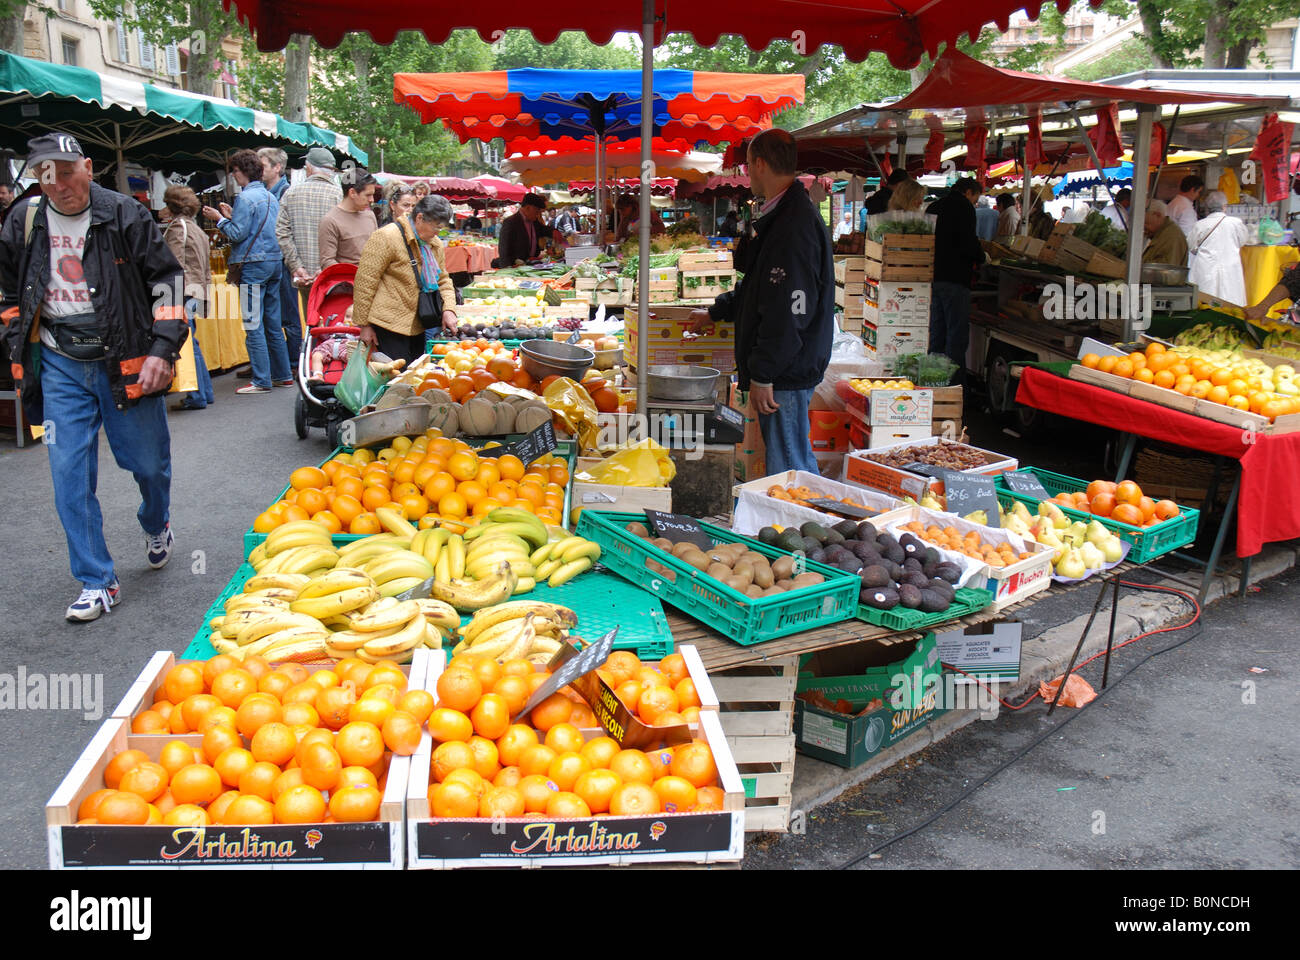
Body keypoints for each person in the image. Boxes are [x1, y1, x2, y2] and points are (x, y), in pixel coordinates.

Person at [0, 132, 186, 621]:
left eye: (67, 171)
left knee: (148, 465)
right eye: (47, 175)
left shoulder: (125, 213)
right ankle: (96, 580)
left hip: (124, 361)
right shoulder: (24, 218)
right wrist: (15, 338)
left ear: (87, 166)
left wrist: (163, 350)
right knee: (68, 475)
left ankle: (156, 519)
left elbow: (168, 280)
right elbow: (8, 291)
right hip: (60, 362)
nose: (59, 184)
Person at [687, 128, 834, 474]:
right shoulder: (779, 216)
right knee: (788, 455)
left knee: (790, 464)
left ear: (762, 164)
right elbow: (761, 289)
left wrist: (764, 374)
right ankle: (793, 521)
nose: (747, 174)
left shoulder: (793, 225)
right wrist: (717, 311)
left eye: (749, 166)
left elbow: (789, 309)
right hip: (785, 364)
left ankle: (800, 525)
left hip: (786, 368)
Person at [203, 149, 291, 394]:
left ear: (241, 172)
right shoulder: (271, 197)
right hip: (274, 262)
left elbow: (236, 234)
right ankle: (283, 374)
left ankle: (262, 379)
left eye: (235, 171)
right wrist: (231, 217)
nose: (234, 176)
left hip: (253, 264)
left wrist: (220, 219)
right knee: (273, 323)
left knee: (253, 323)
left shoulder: (245, 198)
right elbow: (257, 229)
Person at [353, 194, 458, 361]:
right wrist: (364, 325)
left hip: (419, 323)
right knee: (394, 378)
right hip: (388, 324)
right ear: (420, 218)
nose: (438, 233)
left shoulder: (434, 244)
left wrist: (449, 309)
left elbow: (443, 279)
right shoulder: (386, 237)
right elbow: (365, 282)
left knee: (412, 376)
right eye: (436, 227)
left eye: (442, 228)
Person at [162, 185, 215, 411]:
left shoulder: (177, 228)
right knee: (191, 341)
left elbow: (173, 264)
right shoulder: (196, 229)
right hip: (196, 289)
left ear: (171, 205)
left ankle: (197, 395)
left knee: (186, 342)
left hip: (183, 290)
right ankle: (204, 392)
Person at [276, 146, 342, 328]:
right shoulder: (339, 195)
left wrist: (296, 266)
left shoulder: (291, 193)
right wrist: (328, 269)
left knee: (313, 326)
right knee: (336, 325)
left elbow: (282, 232)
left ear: (310, 168)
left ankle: (313, 355)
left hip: (304, 276)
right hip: (333, 275)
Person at [926, 178, 986, 372]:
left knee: (937, 332)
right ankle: (955, 384)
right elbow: (968, 242)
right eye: (975, 198)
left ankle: (933, 377)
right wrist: (982, 256)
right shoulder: (964, 208)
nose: (975, 203)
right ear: (968, 192)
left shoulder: (935, 206)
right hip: (956, 277)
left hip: (934, 275)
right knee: (956, 335)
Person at [258, 147, 300, 365]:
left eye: (263, 165)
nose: (259, 170)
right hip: (273, 259)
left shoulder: (286, 192)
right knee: (274, 314)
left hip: (283, 261)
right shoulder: (266, 193)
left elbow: (287, 230)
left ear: (277, 167)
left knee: (289, 313)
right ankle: (278, 360)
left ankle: (293, 360)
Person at [1188, 191, 1251, 305]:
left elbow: (1191, 246)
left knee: (1205, 303)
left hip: (1205, 269)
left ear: (1207, 208)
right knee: (1230, 305)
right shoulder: (1235, 223)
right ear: (1224, 207)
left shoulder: (1200, 224)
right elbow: (1243, 241)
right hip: (1230, 269)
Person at [319, 170, 378, 269]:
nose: (372, 200)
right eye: (368, 195)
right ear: (352, 193)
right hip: (347, 280)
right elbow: (327, 261)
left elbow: (378, 251)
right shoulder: (330, 220)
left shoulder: (370, 215)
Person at [495, 193, 551, 267]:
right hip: (516, 267)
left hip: (532, 265)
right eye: (536, 212)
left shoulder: (534, 222)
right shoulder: (511, 222)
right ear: (528, 208)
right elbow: (504, 250)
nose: (537, 215)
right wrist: (507, 268)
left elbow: (544, 231)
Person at [1142, 199, 1189, 266]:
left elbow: (1164, 270)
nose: (1144, 229)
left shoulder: (1172, 237)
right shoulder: (1158, 233)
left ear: (1157, 215)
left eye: (1146, 223)